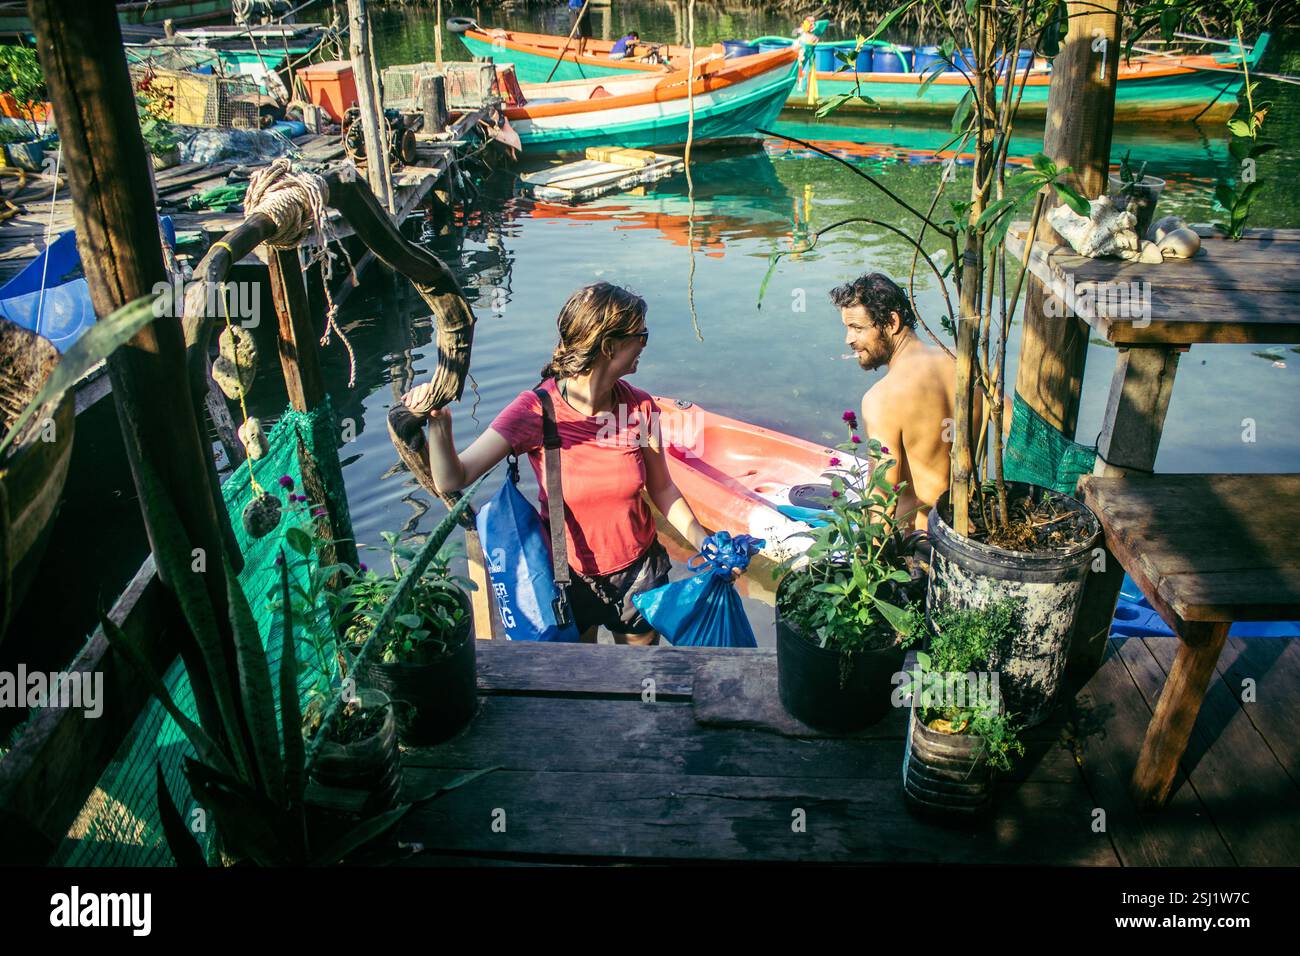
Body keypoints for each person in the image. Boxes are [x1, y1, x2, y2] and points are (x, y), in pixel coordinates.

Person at [401, 282, 720, 646]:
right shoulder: (536, 410)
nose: (645, 346)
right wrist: (439, 423)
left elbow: (662, 488)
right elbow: (453, 477)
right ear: (608, 346)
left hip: (639, 578)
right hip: (570, 579)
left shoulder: (640, 408)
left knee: (639, 683)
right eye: (641, 336)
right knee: (580, 684)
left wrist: (702, 541)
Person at [832, 273, 964, 532]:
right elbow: (1014, 426)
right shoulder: (961, 361)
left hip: (922, 543)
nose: (848, 339)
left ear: (891, 322)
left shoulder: (882, 398)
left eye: (858, 328)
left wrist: (869, 562)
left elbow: (883, 498)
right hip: (966, 529)